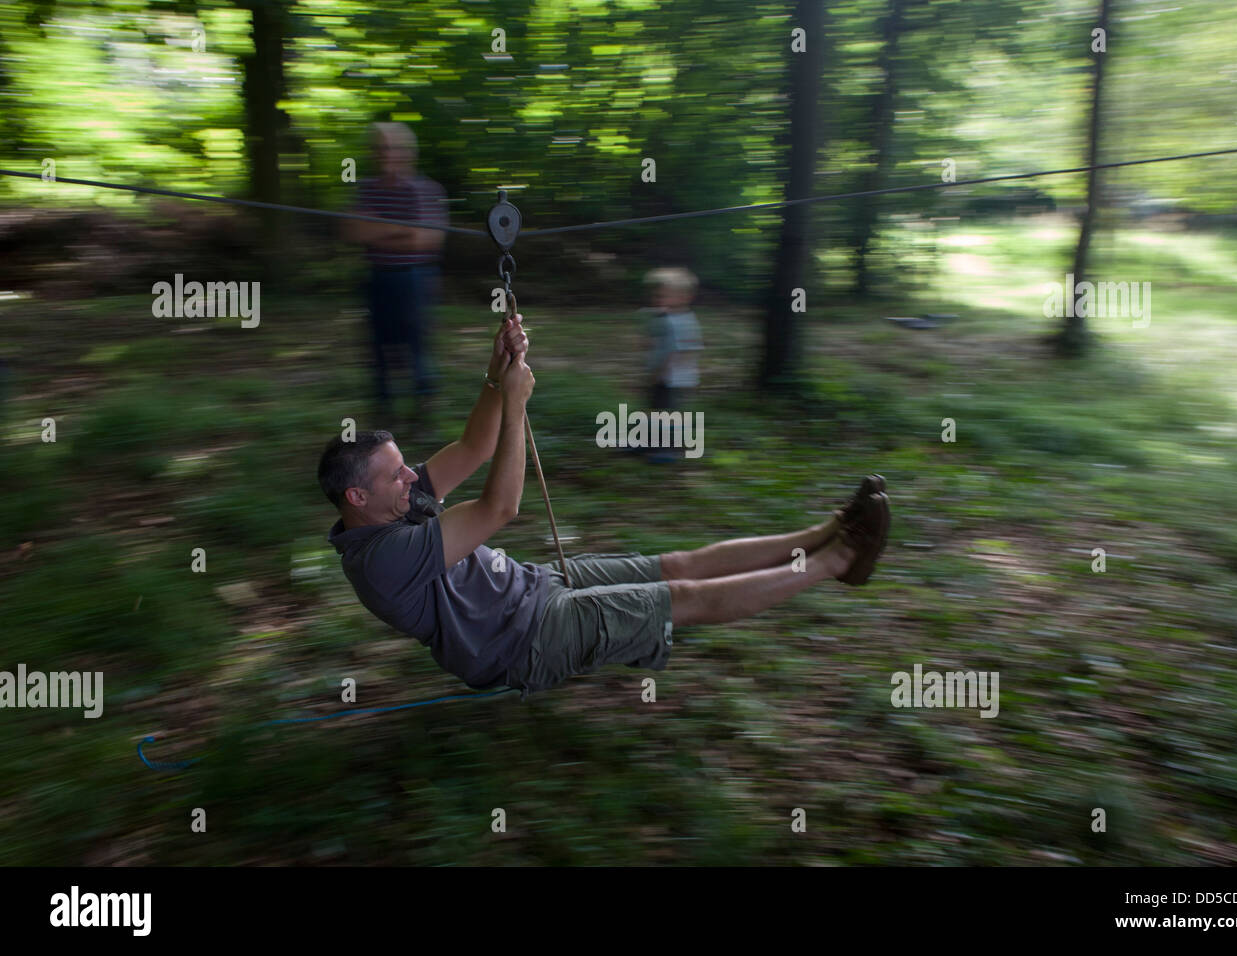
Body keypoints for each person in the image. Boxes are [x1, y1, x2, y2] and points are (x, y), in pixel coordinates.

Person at [318, 313, 890, 699]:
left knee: (679, 565)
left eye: (405, 465)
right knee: (681, 598)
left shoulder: (395, 500)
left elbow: (473, 447)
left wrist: (496, 378)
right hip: (524, 642)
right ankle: (839, 561)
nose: (410, 475)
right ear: (357, 498)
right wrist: (518, 407)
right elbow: (500, 508)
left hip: (534, 585)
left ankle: (833, 527)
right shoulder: (381, 560)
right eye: (396, 473)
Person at [343, 122, 449, 434]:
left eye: (390, 147)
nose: (384, 154)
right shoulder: (366, 188)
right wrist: (400, 230)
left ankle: (423, 410)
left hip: (414, 278)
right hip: (377, 277)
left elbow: (426, 239)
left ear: (407, 152)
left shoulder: (427, 189)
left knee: (416, 346)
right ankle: (384, 413)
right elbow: (351, 230)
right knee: (377, 347)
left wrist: (378, 229)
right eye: (378, 148)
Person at [643, 267, 703, 463]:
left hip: (673, 378)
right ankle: (646, 442)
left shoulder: (684, 322)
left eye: (664, 295)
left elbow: (683, 351)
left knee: (669, 414)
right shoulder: (666, 318)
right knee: (655, 410)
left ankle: (668, 449)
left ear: (685, 297)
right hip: (661, 375)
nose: (658, 298)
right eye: (657, 294)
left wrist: (662, 371)